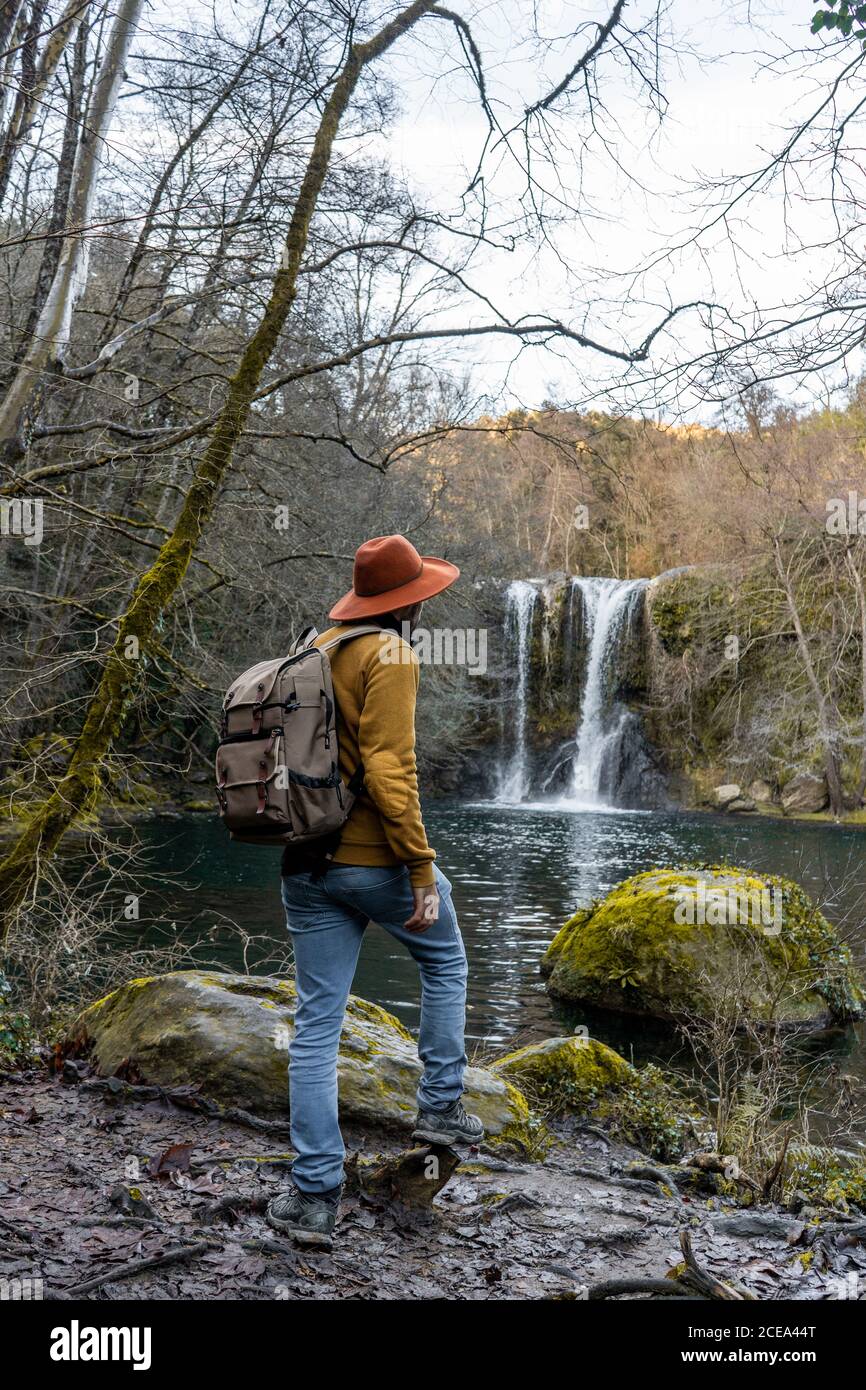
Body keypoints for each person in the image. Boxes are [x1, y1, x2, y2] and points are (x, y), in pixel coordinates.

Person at [266, 534, 483, 1249]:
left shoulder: (315, 647)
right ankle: (442, 1109)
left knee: (317, 1027)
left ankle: (313, 1199)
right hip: (372, 861)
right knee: (445, 960)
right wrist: (420, 869)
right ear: (409, 604)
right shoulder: (390, 655)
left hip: (305, 860)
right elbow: (390, 771)